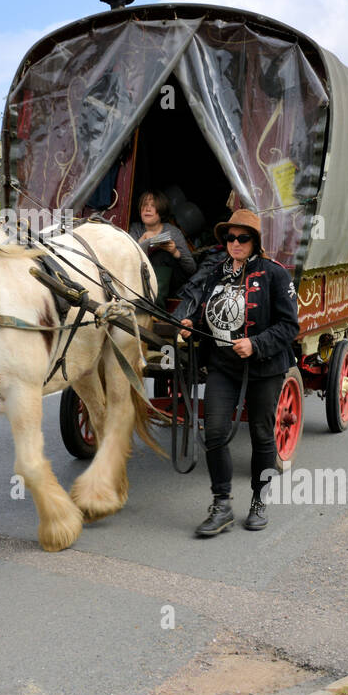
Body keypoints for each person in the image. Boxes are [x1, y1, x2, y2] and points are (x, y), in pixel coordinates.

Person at [172, 206, 299, 536]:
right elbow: (206, 313)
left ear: (255, 241)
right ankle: (222, 505)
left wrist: (256, 344)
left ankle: (258, 502)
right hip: (222, 366)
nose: (236, 243)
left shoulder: (275, 274)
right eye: (230, 238)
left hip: (264, 368)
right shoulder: (216, 273)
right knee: (214, 432)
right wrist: (191, 324)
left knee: (261, 434)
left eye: (243, 238)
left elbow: (289, 326)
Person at [129, 191, 196, 304]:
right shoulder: (135, 229)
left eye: (153, 205)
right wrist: (141, 242)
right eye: (144, 205)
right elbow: (128, 260)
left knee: (162, 256)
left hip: (171, 283)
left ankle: (156, 304)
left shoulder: (173, 232)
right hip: (142, 280)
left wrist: (175, 252)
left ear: (161, 211)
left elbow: (192, 269)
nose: (147, 209)